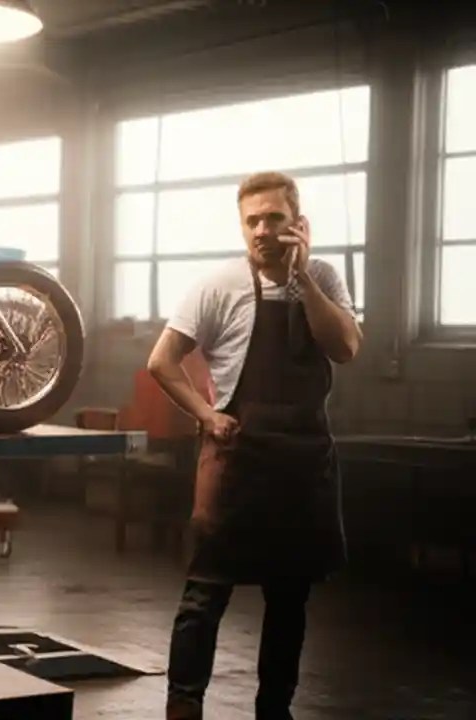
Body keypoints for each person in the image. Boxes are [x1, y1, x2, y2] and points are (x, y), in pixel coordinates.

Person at [145, 171, 363, 720]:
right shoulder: (218, 286)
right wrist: (205, 414)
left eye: (275, 219)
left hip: (303, 462)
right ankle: (183, 706)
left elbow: (346, 347)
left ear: (298, 223)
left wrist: (303, 280)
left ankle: (275, 710)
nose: (263, 230)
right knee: (204, 595)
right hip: (237, 459)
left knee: (289, 600)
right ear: (242, 226)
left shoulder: (325, 279)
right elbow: (161, 362)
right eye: (253, 221)